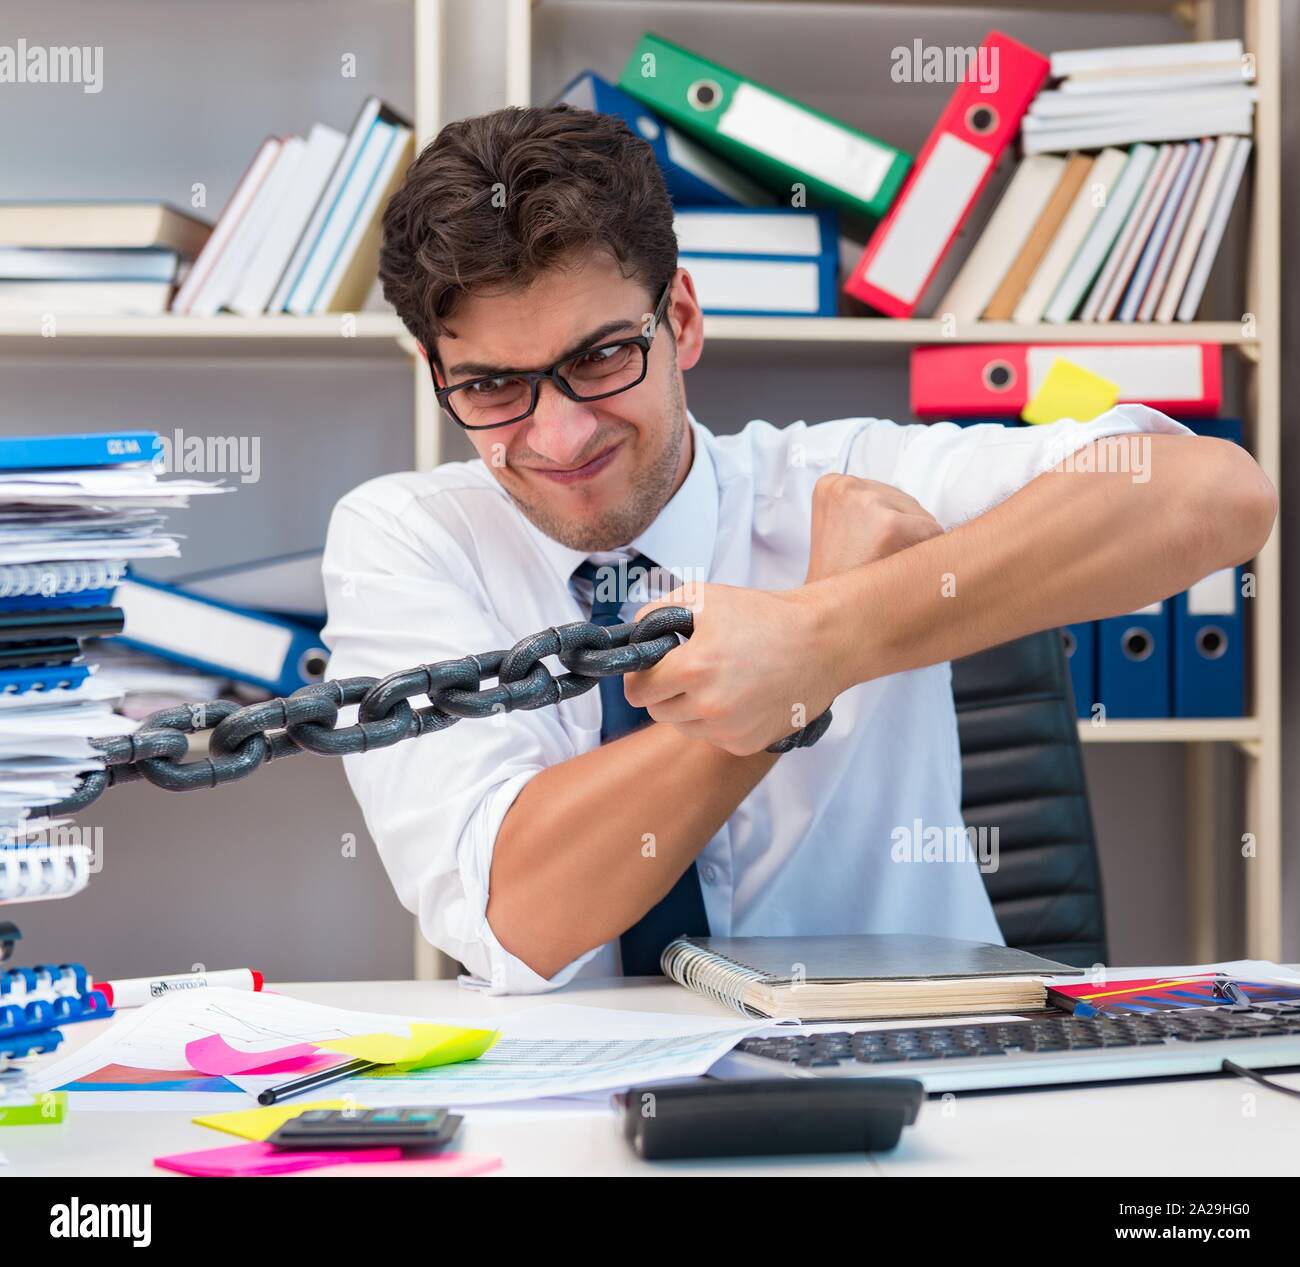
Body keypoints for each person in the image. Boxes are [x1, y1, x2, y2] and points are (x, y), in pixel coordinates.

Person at [321, 105, 1275, 992]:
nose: (562, 436)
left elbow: (1215, 495)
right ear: (436, 375)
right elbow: (520, 910)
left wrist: (825, 629)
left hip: (922, 1069)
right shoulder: (406, 539)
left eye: (603, 357)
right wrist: (794, 680)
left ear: (682, 319)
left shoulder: (843, 475)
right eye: (493, 387)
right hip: (575, 1121)